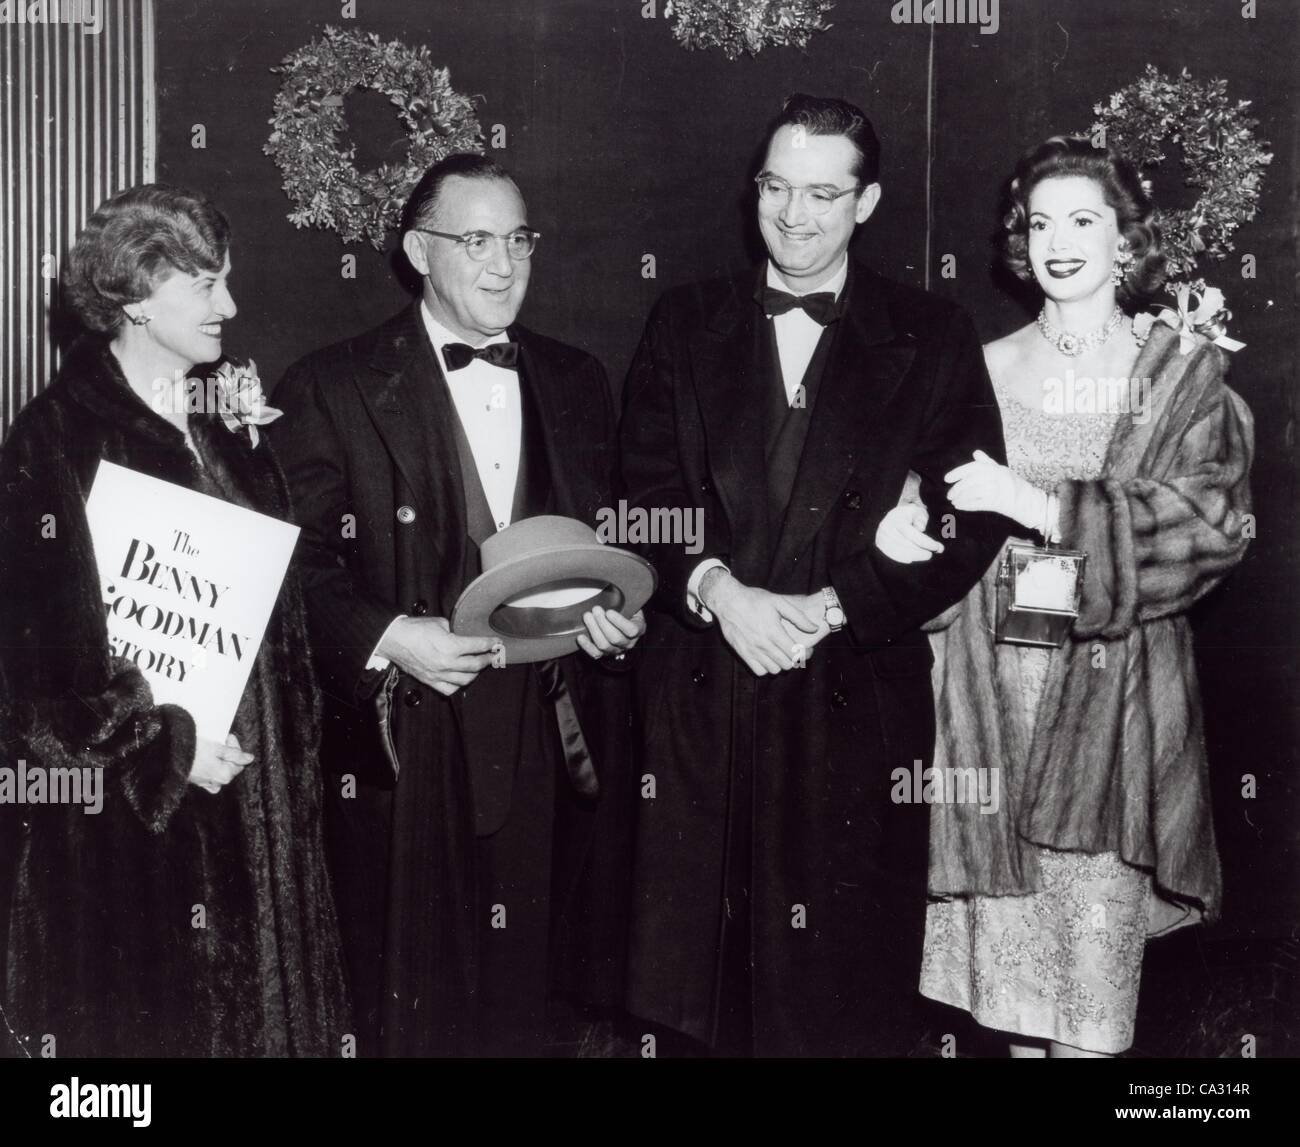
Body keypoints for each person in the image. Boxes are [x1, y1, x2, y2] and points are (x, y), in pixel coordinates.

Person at [619, 94, 1008, 1056]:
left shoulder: (934, 330)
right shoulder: (683, 318)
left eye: (824, 193)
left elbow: (973, 515)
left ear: (868, 202)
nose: (795, 215)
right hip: (704, 700)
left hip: (852, 696)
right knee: (696, 991)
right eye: (776, 187)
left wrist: (835, 607)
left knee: (837, 989)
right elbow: (638, 494)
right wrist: (718, 592)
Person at [874, 136, 1255, 1057]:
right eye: (1040, 222)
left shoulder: (1177, 373)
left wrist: (1040, 503)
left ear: (1128, 240)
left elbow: (1209, 530)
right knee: (1009, 1009)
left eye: (1083, 220)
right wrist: (896, 530)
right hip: (989, 710)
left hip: (1113, 720)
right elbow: (920, 502)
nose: (1058, 240)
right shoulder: (981, 362)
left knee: (1088, 1015)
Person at [272, 153, 644, 1057]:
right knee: (406, 1008)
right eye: (475, 239)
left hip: (549, 737)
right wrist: (393, 637)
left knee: (533, 1009)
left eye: (519, 240)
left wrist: (615, 624)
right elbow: (290, 566)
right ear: (417, 251)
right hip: (405, 742)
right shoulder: (330, 384)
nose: (503, 263)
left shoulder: (577, 378)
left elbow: (606, 548)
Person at [0, 184, 348, 1057]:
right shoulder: (54, 442)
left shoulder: (227, 424)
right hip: (145, 843)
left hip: (268, 812)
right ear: (133, 295)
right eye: (205, 285)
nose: (230, 306)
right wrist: (165, 748)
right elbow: (23, 688)